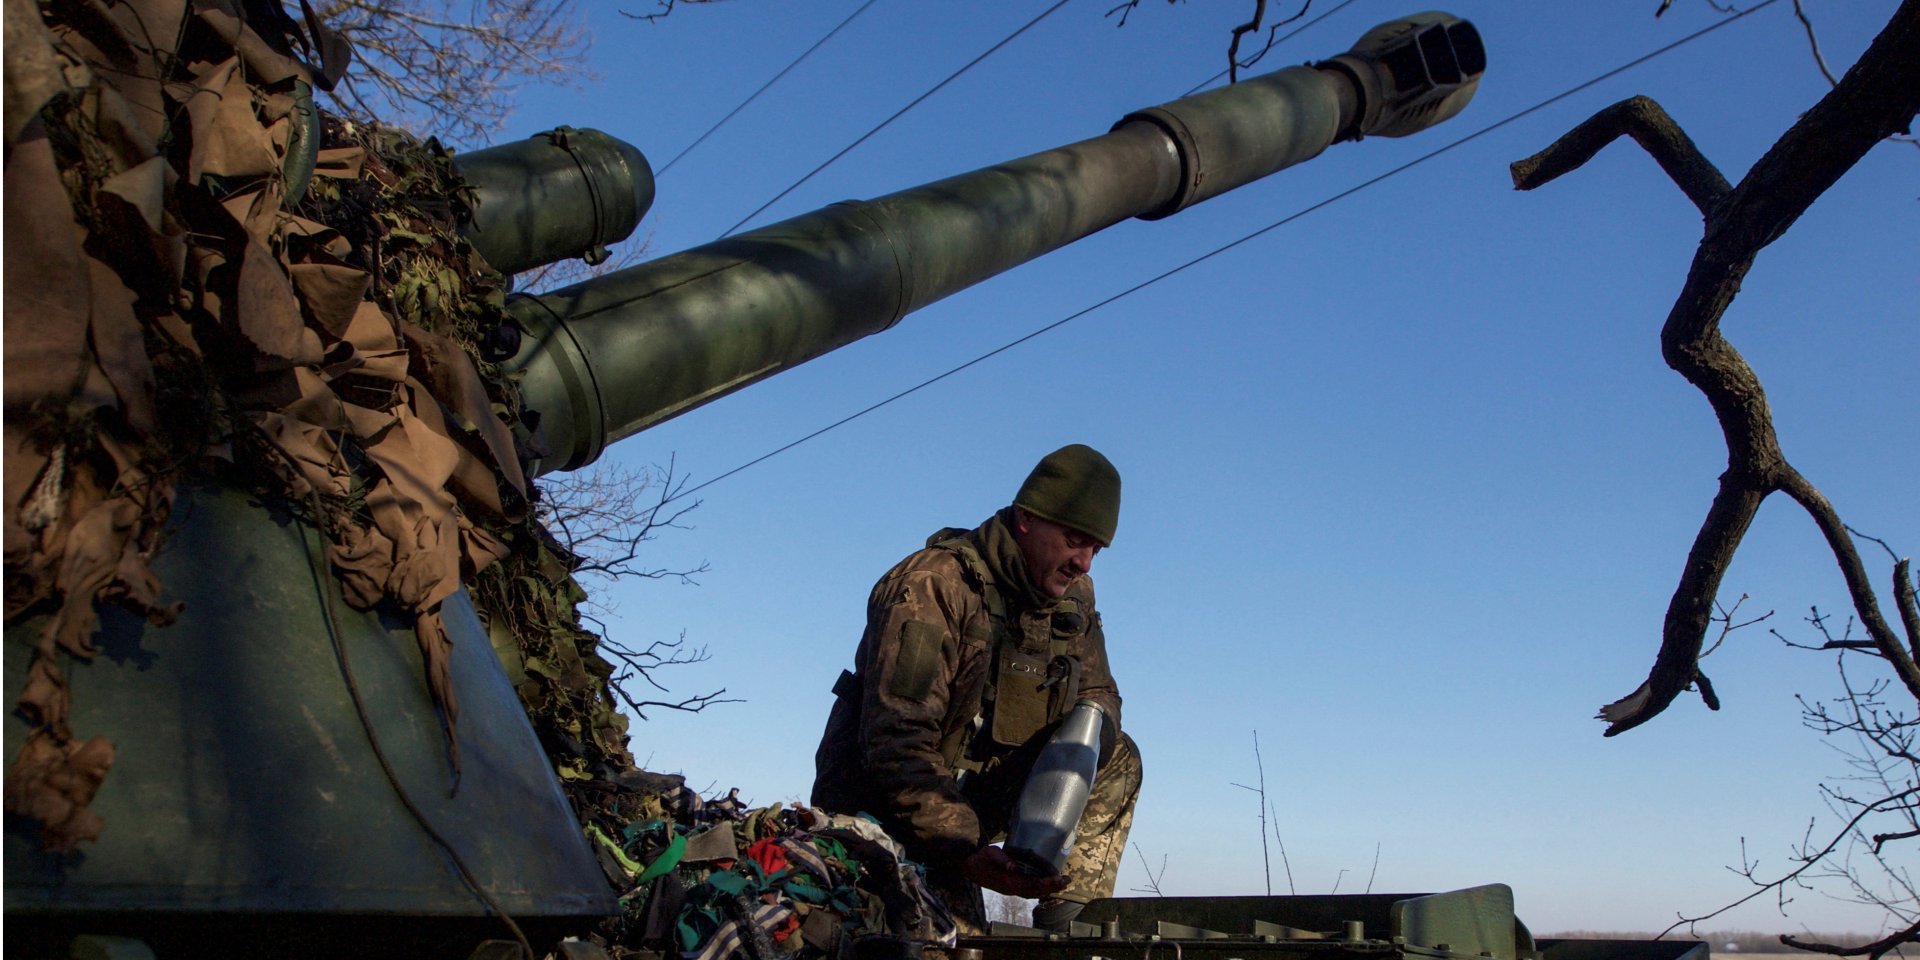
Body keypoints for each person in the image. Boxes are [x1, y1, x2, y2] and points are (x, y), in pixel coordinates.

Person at [812, 444, 1143, 935]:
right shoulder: (933, 588)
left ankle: (1067, 925)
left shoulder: (1072, 601)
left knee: (1115, 754)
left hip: (975, 799)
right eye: (1076, 540)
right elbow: (896, 745)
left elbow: (1101, 695)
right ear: (1027, 519)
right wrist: (965, 852)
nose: (1085, 563)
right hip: (888, 812)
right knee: (949, 940)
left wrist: (1056, 791)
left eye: (1096, 548)